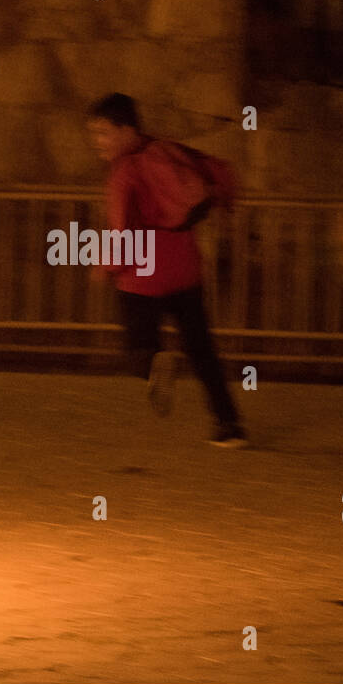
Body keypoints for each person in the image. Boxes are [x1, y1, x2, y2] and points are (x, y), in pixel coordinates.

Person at [87, 93, 247, 447]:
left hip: (142, 276)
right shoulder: (170, 151)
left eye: (102, 133)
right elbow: (219, 172)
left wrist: (105, 266)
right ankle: (229, 426)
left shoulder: (124, 172)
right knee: (203, 349)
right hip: (185, 268)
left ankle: (156, 361)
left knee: (137, 348)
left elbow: (120, 229)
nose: (97, 142)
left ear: (126, 129)